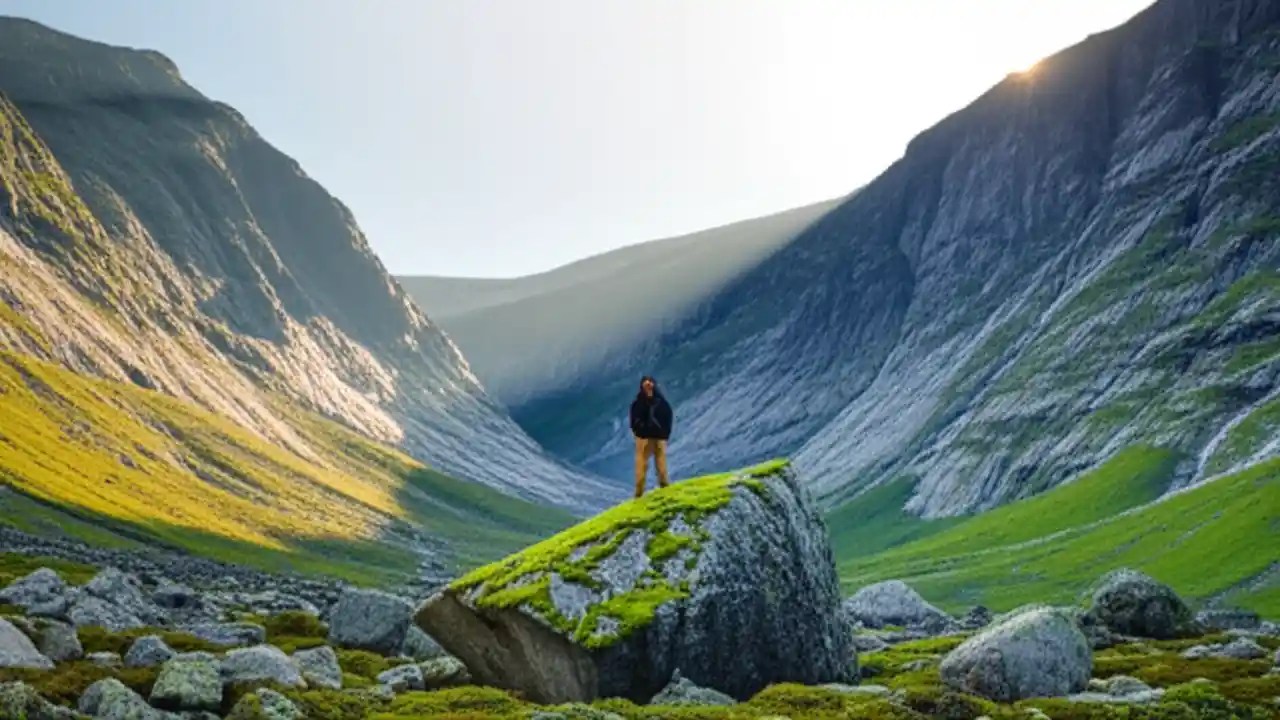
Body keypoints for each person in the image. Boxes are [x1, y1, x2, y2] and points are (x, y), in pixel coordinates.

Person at [630, 375, 673, 498]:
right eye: (645, 384)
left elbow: (668, 418)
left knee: (662, 468)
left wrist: (665, 434)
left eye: (650, 384)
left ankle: (666, 492)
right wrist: (641, 432)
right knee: (641, 468)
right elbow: (634, 422)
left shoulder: (662, 403)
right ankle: (638, 495)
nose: (648, 386)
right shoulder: (638, 404)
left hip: (659, 439)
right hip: (643, 439)